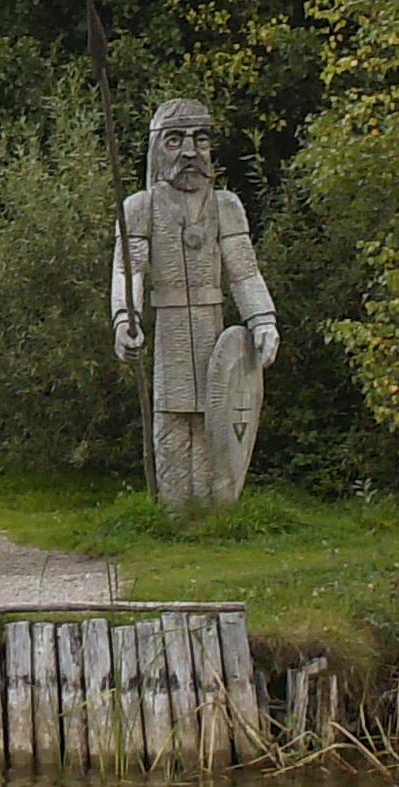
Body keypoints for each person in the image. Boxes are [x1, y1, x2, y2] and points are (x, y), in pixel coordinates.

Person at [110, 98, 279, 510]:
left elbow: (243, 271)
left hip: (211, 327)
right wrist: (125, 318)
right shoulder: (140, 207)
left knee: (213, 416)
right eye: (175, 140)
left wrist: (262, 320)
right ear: (157, 149)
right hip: (169, 329)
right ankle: (174, 510)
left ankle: (212, 508)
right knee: (171, 418)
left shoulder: (226, 207)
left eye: (199, 139)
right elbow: (126, 271)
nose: (189, 152)